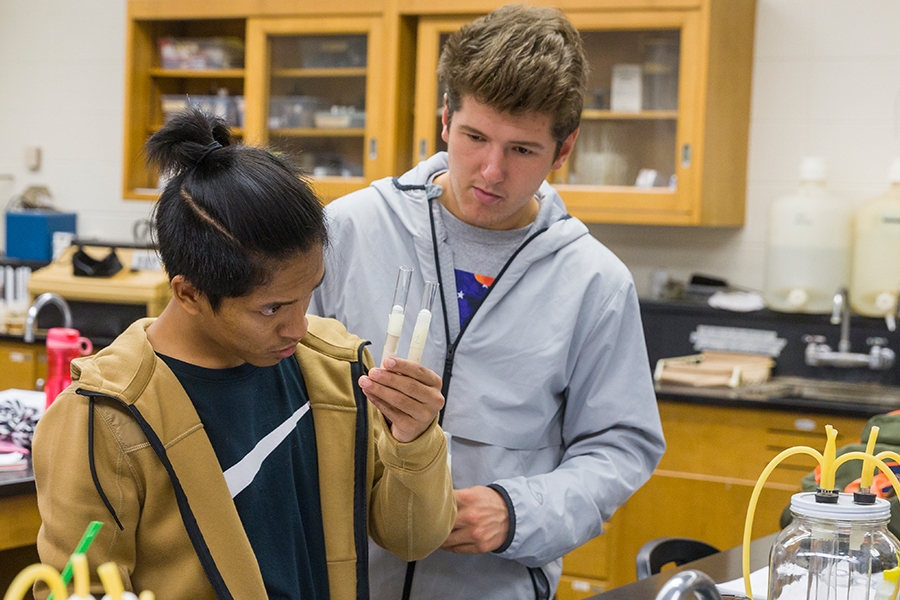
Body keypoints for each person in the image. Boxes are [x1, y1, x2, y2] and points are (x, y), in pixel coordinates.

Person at [309, 4, 666, 599]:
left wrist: (518, 510)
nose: (491, 171)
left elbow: (619, 447)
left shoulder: (594, 283)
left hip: (491, 585)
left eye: (523, 150)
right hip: (342, 581)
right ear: (446, 119)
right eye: (475, 137)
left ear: (564, 148)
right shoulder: (346, 231)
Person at [31, 108, 456, 600]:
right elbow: (76, 588)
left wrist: (415, 439)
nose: (298, 327)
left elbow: (412, 538)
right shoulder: (105, 418)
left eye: (308, 294)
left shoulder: (335, 370)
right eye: (271, 307)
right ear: (188, 294)